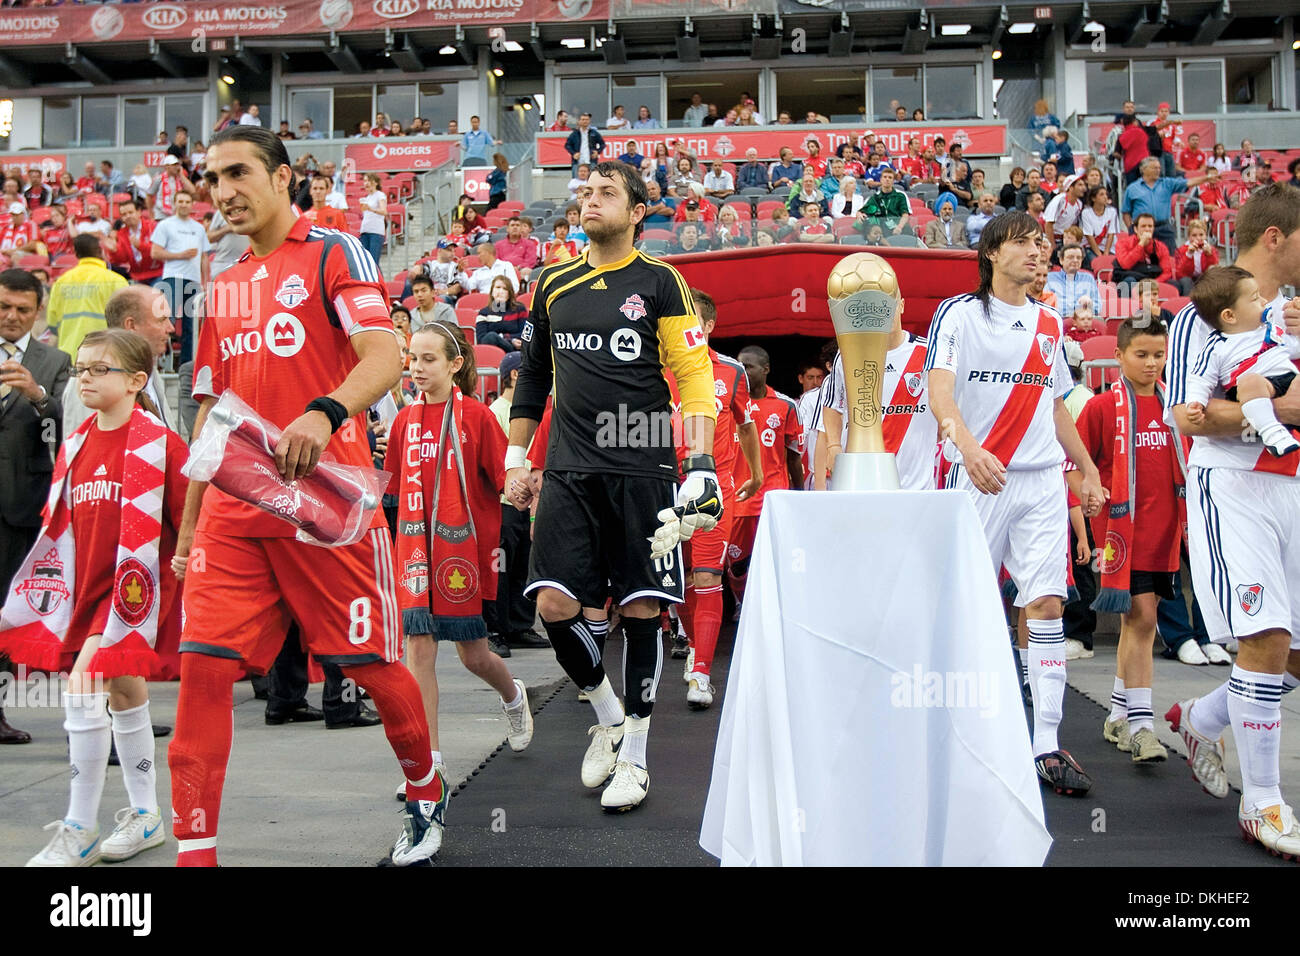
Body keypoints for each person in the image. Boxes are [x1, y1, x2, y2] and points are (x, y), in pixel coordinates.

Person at [170, 125, 447, 866]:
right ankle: (195, 856)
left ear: (285, 177)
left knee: (370, 667)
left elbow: (384, 354)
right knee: (201, 674)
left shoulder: (333, 251)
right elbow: (211, 411)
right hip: (235, 511)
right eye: (212, 178)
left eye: (237, 173)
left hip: (328, 507)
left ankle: (425, 787)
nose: (223, 191)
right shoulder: (220, 284)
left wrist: (324, 413)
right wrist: (190, 525)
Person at [501, 161, 717, 812]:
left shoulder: (663, 283)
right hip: (568, 467)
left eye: (606, 193)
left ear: (638, 211)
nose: (590, 201)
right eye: (584, 192)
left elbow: (694, 374)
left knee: (643, 608)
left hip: (644, 465)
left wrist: (701, 464)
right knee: (554, 605)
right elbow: (533, 376)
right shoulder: (552, 283)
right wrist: (518, 457)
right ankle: (608, 713)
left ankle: (639, 760)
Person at [925, 211, 1106, 796]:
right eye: (1025, 242)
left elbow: (1055, 407)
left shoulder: (1050, 323)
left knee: (1047, 604)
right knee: (966, 604)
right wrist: (969, 448)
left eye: (1042, 242)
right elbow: (940, 392)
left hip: (1040, 483)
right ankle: (958, 729)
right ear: (991, 252)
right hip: (977, 478)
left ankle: (1045, 743)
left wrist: (1085, 467)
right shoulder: (957, 314)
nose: (1038, 251)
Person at [2, 327, 186, 866]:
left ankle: (79, 826)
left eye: (98, 369)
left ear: (135, 380)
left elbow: (191, 519)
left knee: (82, 686)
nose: (84, 376)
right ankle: (147, 815)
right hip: (86, 591)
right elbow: (62, 526)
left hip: (133, 594)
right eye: (80, 367)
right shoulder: (77, 443)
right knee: (125, 697)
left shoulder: (161, 443)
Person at [1162, 184, 1300, 805]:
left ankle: (1201, 720)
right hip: (1234, 485)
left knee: (1291, 658)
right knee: (1265, 639)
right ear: (1275, 237)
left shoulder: (1292, 310)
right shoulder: (1205, 312)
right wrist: (1277, 407)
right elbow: (1186, 415)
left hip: (1289, 481)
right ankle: (1264, 802)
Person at [382, 321, 534, 808]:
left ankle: (514, 696)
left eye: (428, 359)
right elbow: (390, 490)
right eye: (412, 359)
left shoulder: (477, 417)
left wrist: (520, 489)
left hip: (461, 556)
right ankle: (429, 766)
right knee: (419, 651)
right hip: (414, 554)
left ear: (455, 364)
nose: (417, 368)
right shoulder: (404, 422)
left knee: (473, 656)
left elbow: (503, 478)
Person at [1073, 317, 1185, 761]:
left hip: (1164, 535)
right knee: (1140, 620)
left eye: (1159, 354)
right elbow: (1075, 467)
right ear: (1118, 357)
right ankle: (1142, 726)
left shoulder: (1174, 405)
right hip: (1121, 536)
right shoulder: (1101, 408)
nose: (1152, 363)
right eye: (1141, 354)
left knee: (1142, 624)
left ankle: (1118, 713)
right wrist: (1091, 493)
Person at [667, 289, 762, 705]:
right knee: (679, 582)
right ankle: (691, 644)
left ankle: (702, 672)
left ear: (708, 327)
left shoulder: (731, 372)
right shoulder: (656, 370)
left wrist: (756, 473)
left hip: (712, 486)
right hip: (663, 487)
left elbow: (745, 426)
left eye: (694, 323)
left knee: (707, 576)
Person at [0, 268, 68, 746]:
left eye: (23, 310)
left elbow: (67, 419)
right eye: (4, 307)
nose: (12, 317)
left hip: (22, 505)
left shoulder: (54, 361)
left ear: (38, 311)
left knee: (8, 609)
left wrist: (38, 395)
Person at [819, 300, 937, 492]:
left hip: (914, 485)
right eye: (878, 306)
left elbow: (947, 402)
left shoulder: (929, 352)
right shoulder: (849, 353)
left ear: (902, 305)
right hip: (861, 479)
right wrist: (833, 446)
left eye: (890, 305)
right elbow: (833, 405)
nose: (885, 312)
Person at [1187, 267, 1299, 459]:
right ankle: (1272, 432)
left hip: (1289, 380)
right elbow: (1200, 377)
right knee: (1250, 382)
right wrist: (1195, 402)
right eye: (1255, 298)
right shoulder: (1217, 345)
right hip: (1256, 389)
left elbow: (1293, 348)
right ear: (1230, 316)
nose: (1264, 302)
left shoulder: (1270, 330)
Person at [726, 345, 802, 616]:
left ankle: (770, 611)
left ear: (766, 369)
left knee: (774, 562)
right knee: (737, 566)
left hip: (772, 499)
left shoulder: (785, 405)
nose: (742, 372)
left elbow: (794, 457)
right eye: (739, 365)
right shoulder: (728, 404)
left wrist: (799, 497)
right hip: (737, 500)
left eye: (748, 366)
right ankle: (742, 604)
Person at [63, 285, 174, 434]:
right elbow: (81, 448)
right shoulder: (88, 380)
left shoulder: (149, 372)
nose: (171, 328)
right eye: (161, 320)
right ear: (131, 325)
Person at [45, 235, 129, 360]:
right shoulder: (116, 281)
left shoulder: (61, 282)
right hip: (106, 356)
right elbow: (128, 321)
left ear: (76, 254)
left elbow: (52, 323)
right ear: (100, 251)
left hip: (69, 355)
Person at [150, 192, 208, 367]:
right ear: (175, 204)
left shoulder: (199, 228)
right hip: (173, 278)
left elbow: (204, 257)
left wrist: (205, 281)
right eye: (180, 201)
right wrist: (180, 255)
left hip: (193, 281)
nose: (184, 204)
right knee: (167, 319)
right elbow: (155, 252)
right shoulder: (166, 225)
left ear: (192, 205)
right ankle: (157, 361)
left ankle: (188, 365)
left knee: (192, 327)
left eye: (187, 201)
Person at [1122, 156, 1207, 253]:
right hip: (1143, 229)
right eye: (1155, 168)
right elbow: (1126, 212)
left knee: (1172, 257)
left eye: (1159, 168)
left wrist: (1206, 179)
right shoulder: (1132, 188)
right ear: (1143, 170)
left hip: (1164, 228)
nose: (1158, 170)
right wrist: (1132, 230)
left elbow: (1188, 183)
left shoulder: (1167, 183)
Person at [107, 198, 163, 286]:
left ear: (139, 212)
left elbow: (160, 251)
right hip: (137, 276)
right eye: (124, 214)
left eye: (130, 212)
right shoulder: (121, 233)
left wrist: (140, 246)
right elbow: (122, 259)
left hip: (157, 274)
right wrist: (114, 251)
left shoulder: (153, 227)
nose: (128, 216)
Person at [1114, 212, 1174, 286]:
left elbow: (1167, 272)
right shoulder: (1122, 243)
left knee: (1174, 284)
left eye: (1150, 226)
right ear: (1135, 229)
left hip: (1152, 280)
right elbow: (1125, 265)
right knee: (1129, 282)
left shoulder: (1161, 247)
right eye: (1143, 226)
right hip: (1130, 278)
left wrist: (1153, 283)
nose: (1147, 229)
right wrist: (1141, 244)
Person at [1047, 245, 1103, 320]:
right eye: (1071, 257)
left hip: (1083, 322)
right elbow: (1048, 306)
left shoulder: (1088, 278)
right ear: (1061, 260)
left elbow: (1098, 307)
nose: (1075, 260)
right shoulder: (1050, 278)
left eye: (1079, 258)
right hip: (1058, 321)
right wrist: (1081, 307)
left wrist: (1089, 304)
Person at [476, 276, 528, 351]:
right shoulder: (484, 312)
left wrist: (504, 338)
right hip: (491, 348)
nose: (500, 291)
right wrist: (509, 339)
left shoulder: (519, 309)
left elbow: (525, 334)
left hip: (513, 350)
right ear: (492, 292)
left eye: (505, 289)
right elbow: (481, 340)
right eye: (497, 287)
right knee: (491, 336)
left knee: (492, 335)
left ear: (509, 293)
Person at [1173, 218, 1219, 295]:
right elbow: (1180, 274)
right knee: (1186, 281)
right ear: (1189, 237)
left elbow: (1214, 269)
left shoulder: (1211, 249)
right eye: (1194, 235)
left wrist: (1209, 255)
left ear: (1205, 235)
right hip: (1187, 279)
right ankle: (1187, 303)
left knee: (1213, 276)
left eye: (1201, 235)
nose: (1198, 238)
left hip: (1203, 278)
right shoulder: (1181, 250)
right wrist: (1189, 255)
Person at [861, 168, 909, 236]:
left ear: (893, 181)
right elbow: (863, 211)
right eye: (885, 177)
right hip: (882, 229)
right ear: (881, 179)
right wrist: (859, 213)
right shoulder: (875, 197)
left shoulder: (900, 196)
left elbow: (905, 215)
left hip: (898, 226)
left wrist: (899, 227)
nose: (887, 179)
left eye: (890, 177)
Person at [1081, 185, 1120, 265]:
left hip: (1109, 248)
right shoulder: (1086, 213)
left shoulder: (1112, 211)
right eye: (1101, 194)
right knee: (1096, 263)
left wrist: (1106, 253)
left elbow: (1111, 234)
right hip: (1091, 248)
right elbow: (1089, 236)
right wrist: (1099, 255)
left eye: (1106, 194)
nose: (1105, 197)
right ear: (1093, 198)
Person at [358, 173, 387, 265]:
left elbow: (384, 211)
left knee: (373, 261)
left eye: (368, 181)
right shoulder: (367, 198)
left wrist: (370, 209)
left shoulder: (380, 195)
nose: (366, 183)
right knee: (365, 261)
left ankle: (377, 279)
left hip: (376, 231)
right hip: (365, 230)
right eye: (365, 181)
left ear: (375, 182)